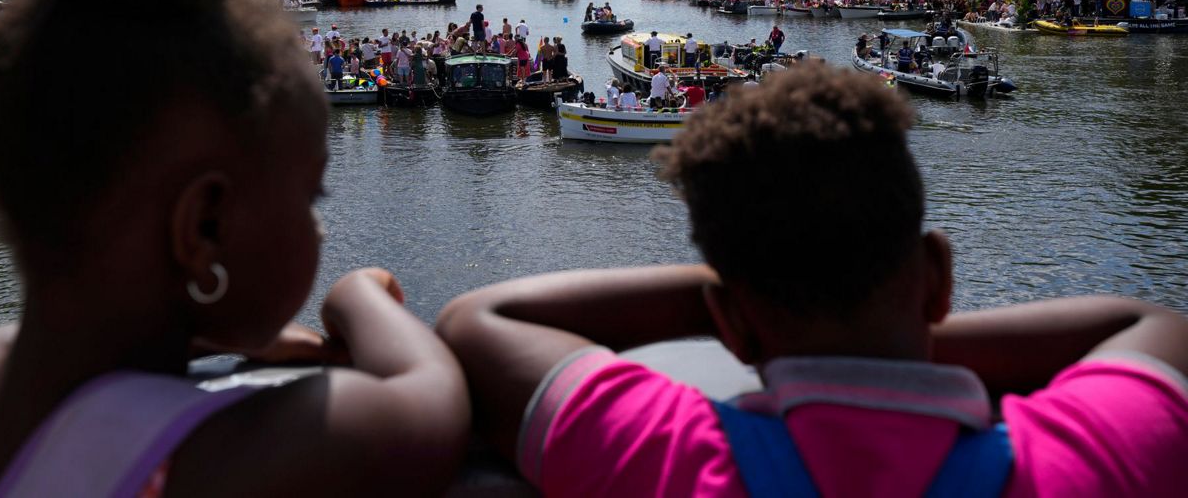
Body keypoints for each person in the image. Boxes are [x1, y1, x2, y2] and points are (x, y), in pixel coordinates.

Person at [0, 0, 469, 496]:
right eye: (311, 198)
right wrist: (359, 296)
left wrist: (189, 333)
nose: (317, 227)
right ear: (202, 230)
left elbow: (30, 342)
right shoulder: (194, 463)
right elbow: (427, 399)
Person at [437, 63, 1188, 496]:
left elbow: (480, 321)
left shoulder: (679, 462)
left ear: (728, 321)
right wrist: (901, 328)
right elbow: (1147, 324)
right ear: (936, 278)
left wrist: (749, 286)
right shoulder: (1080, 463)